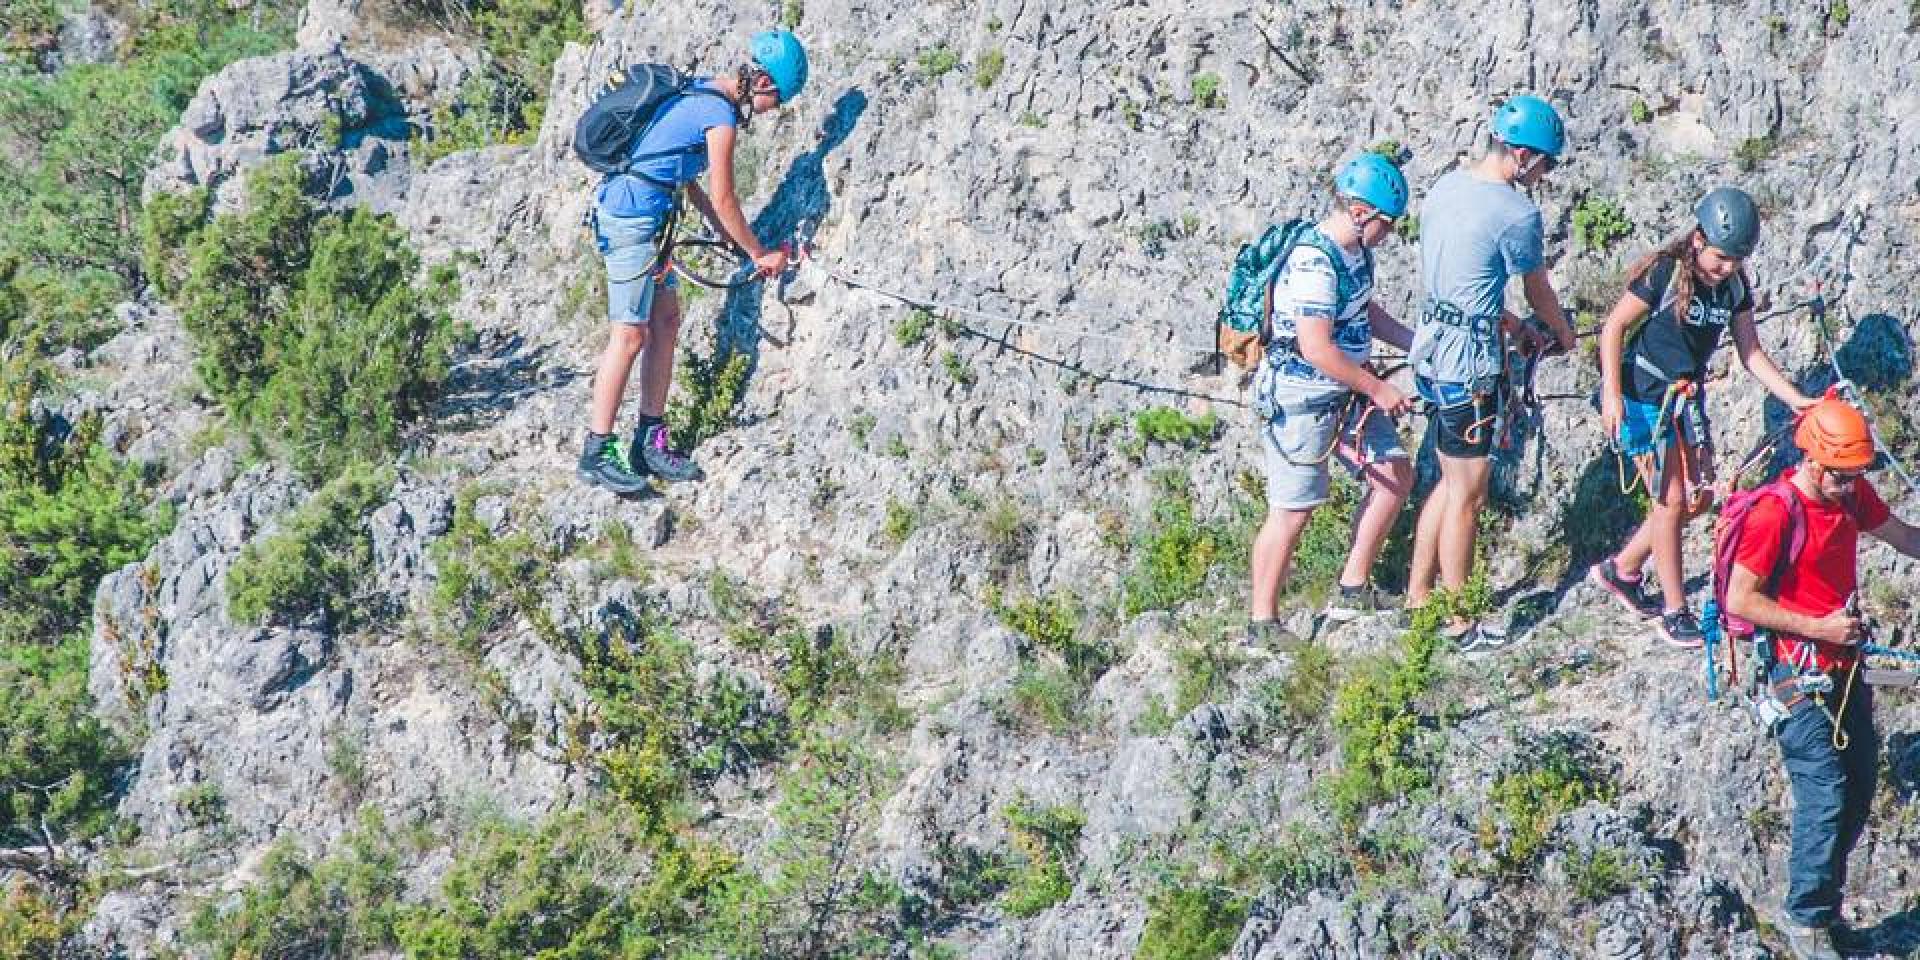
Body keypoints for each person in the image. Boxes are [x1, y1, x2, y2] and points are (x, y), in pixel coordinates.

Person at [1723, 395, 1920, 960]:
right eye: (1842, 475)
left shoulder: (1851, 493)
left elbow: (1903, 536)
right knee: (1827, 793)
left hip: (1842, 668)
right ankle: (1805, 921)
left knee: (1859, 786)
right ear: (1812, 462)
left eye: (1858, 474)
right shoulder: (1774, 515)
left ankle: (1824, 911)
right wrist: (1820, 627)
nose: (1851, 485)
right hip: (1795, 673)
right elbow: (1743, 598)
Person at [576, 30, 808, 493]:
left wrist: (729, 238)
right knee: (629, 335)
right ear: (761, 81)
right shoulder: (718, 116)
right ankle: (597, 451)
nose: (772, 111)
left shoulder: (703, 92)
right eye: (776, 99)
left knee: (665, 320)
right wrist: (757, 253)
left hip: (651, 222)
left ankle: (650, 440)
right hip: (631, 223)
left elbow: (689, 183)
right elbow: (723, 195)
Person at [1590, 187, 1817, 646]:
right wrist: (1612, 396)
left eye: (1736, 259)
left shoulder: (1733, 288)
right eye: (1719, 257)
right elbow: (1613, 328)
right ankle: (1675, 612)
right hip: (1638, 398)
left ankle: (1623, 570)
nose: (1727, 268)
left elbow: (1750, 351)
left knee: (1695, 500)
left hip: (1681, 400)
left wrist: (1794, 397)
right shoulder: (1666, 273)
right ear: (1698, 240)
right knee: (1670, 501)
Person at [1404, 94, 1576, 649]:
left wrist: (1509, 326)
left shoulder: (1447, 187)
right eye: (1545, 165)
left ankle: (1417, 597)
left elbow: (1462, 281)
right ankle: (1461, 623)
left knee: (1449, 480)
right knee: (1469, 496)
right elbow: (1537, 288)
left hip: (1432, 351)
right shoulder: (1516, 211)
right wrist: (1562, 333)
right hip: (1468, 363)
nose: (1545, 176)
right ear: (1523, 156)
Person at [1246, 154, 1418, 648]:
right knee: (1293, 510)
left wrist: (1417, 345)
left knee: (1394, 475)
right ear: (1362, 212)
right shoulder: (1313, 264)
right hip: (1301, 398)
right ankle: (1262, 623)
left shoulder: (1356, 255)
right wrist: (1378, 389)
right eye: (1387, 223)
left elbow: (1366, 311)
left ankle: (1353, 586)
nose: (1389, 233)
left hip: (1347, 390)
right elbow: (1315, 347)